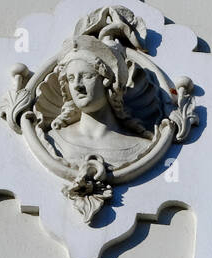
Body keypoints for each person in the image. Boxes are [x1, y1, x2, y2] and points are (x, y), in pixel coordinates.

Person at [44, 35, 150, 168]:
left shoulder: (141, 147)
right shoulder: (53, 140)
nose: (77, 85)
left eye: (87, 76)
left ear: (109, 82)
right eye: (71, 78)